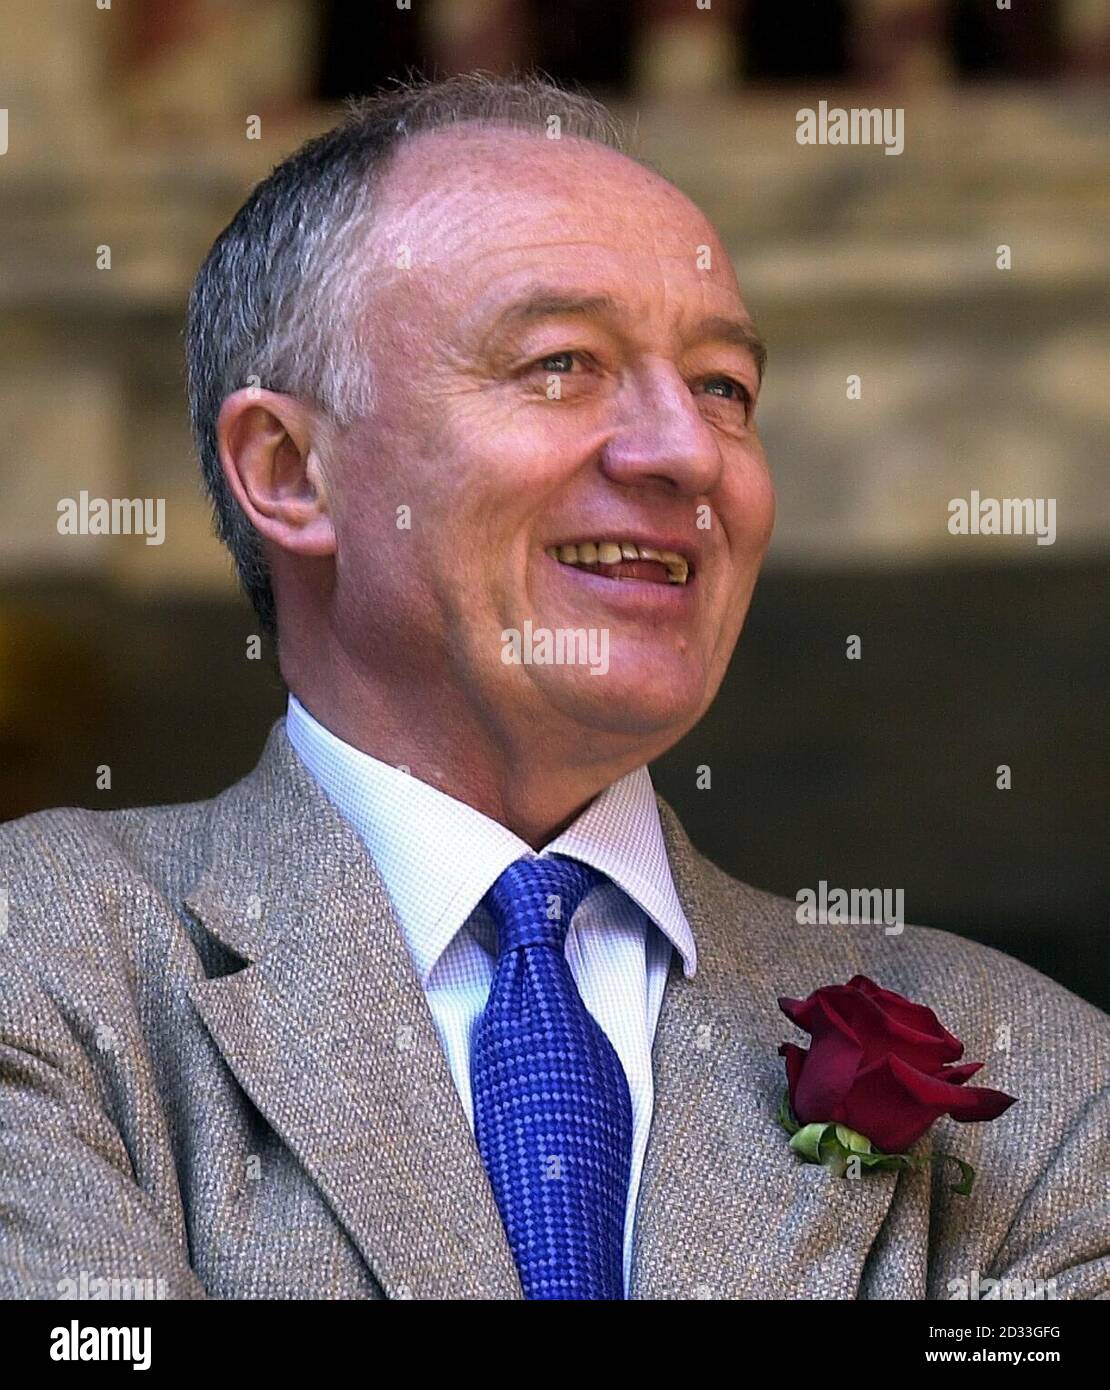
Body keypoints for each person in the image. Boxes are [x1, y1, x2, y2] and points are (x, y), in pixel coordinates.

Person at [1, 74, 1105, 1301]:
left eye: (724, 386)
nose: (687, 451)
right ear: (290, 470)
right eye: (563, 363)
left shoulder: (1037, 1075)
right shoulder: (45, 954)